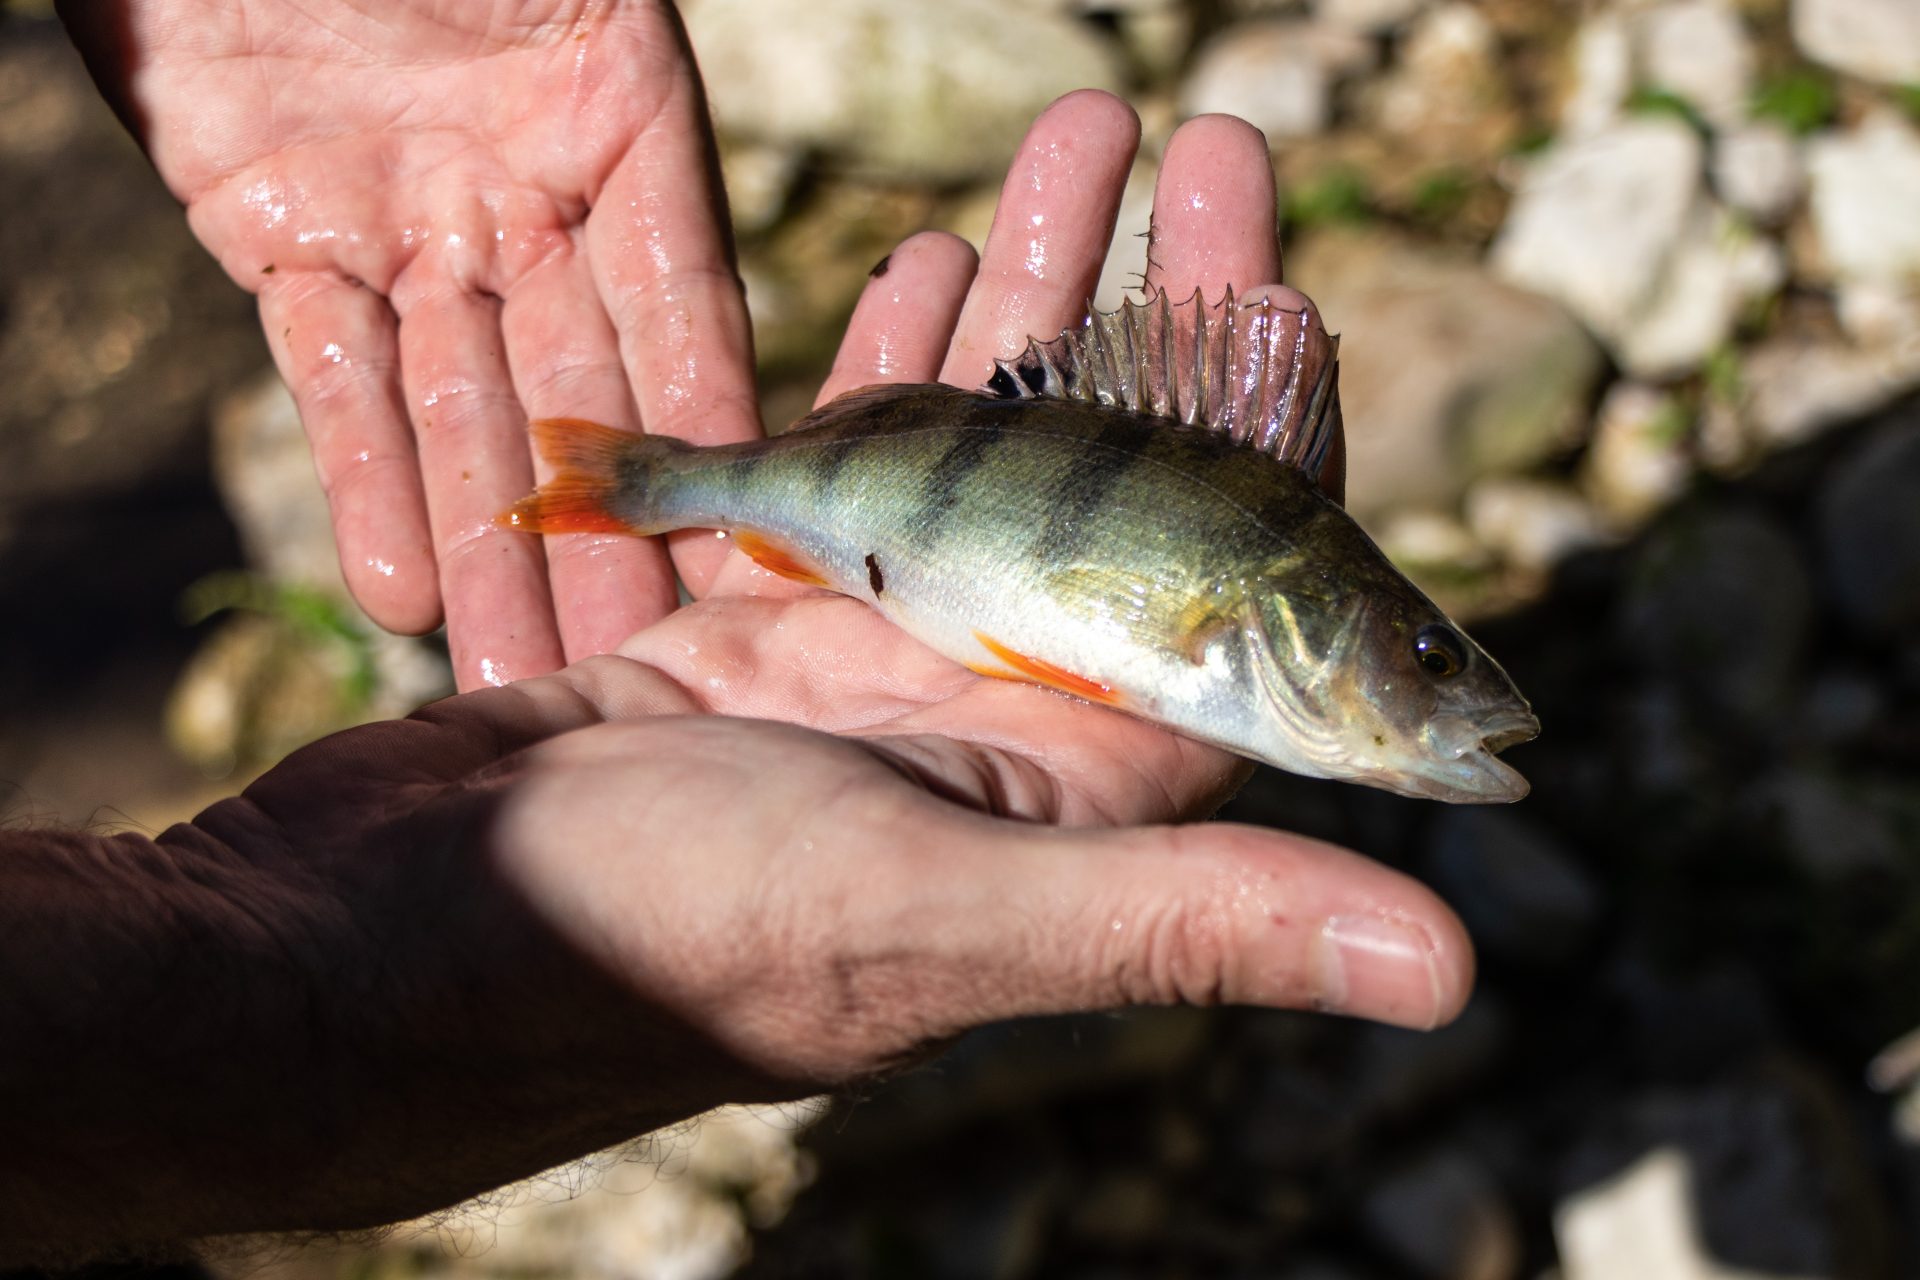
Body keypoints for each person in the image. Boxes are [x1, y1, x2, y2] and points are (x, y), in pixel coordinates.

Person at [3, 0, 1474, 1260]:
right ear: (1313, 615)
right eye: (1426, 657)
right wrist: (302, 993)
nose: (1451, 689)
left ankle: (646, 486)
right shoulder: (1247, 600)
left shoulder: (1260, 603)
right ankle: (648, 487)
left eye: (1441, 664)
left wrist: (267, 986)